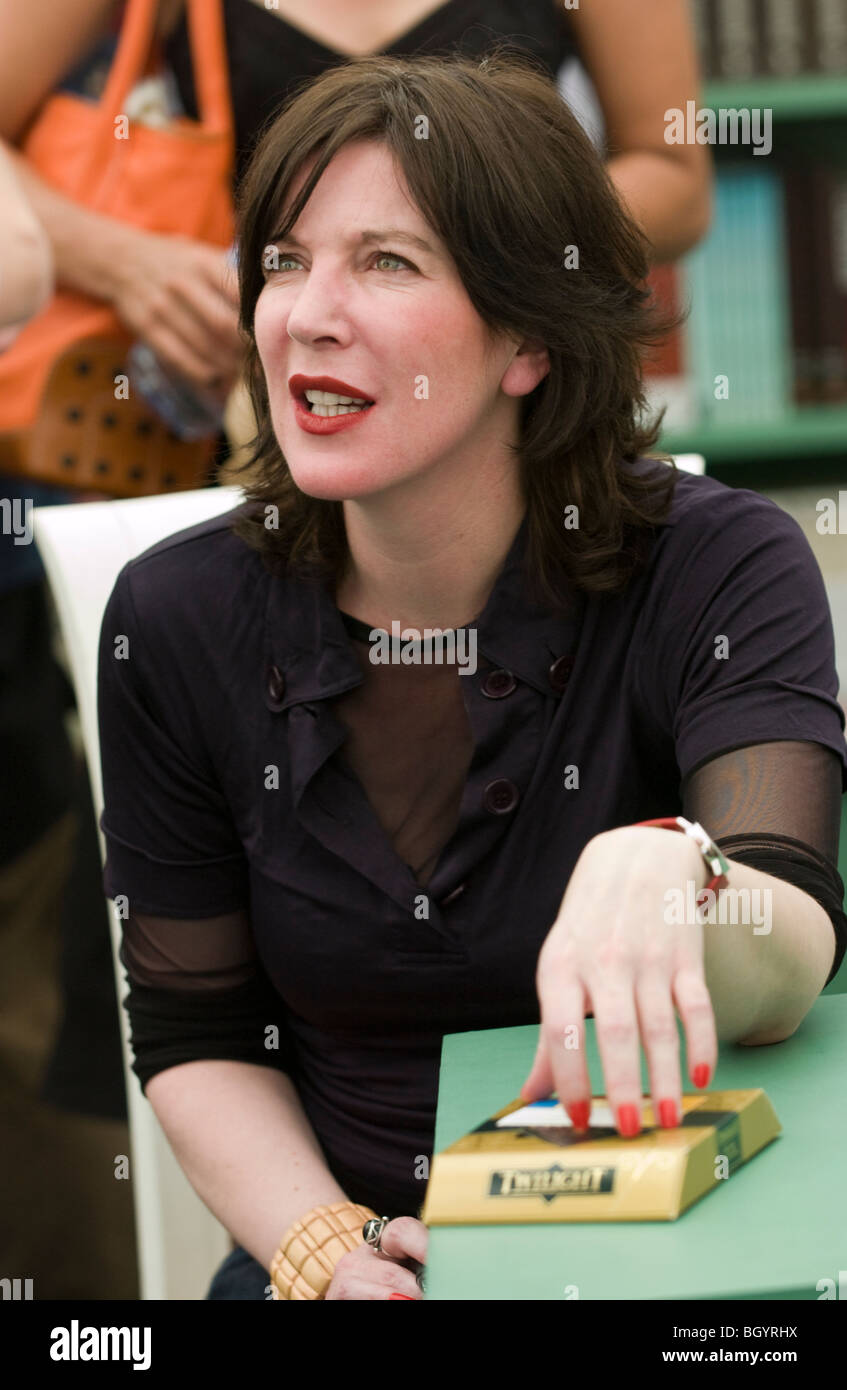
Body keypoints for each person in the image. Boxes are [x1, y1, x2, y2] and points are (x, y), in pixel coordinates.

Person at [97, 51, 847, 1302]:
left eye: (386, 262)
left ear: (528, 341)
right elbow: (195, 1031)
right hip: (342, 1247)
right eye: (283, 260)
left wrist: (683, 870)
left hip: (666, 1250)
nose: (307, 313)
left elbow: (794, 946)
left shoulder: (718, 565)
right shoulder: (174, 618)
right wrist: (328, 1249)